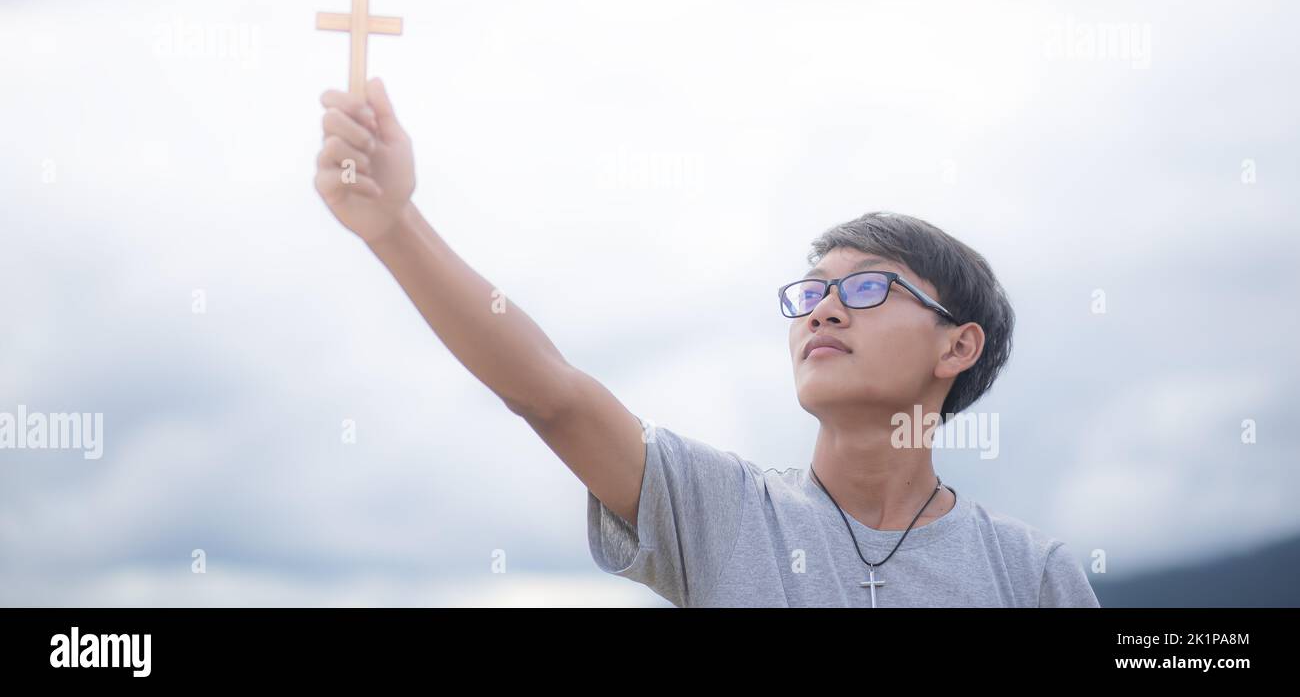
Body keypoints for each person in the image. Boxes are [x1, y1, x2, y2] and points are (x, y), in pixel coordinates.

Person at [314, 78, 1100, 607]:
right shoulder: (727, 512)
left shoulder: (1032, 574)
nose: (823, 311)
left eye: (866, 287)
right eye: (811, 291)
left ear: (958, 348)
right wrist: (394, 225)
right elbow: (549, 393)